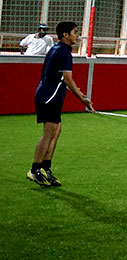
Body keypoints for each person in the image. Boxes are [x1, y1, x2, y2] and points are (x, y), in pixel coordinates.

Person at [26, 22, 94, 187]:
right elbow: (68, 79)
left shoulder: (57, 49)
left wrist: (79, 93)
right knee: (49, 133)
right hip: (49, 97)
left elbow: (61, 79)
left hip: (51, 95)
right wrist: (82, 99)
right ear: (65, 34)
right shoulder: (63, 52)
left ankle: (46, 168)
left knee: (56, 132)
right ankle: (35, 170)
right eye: (75, 32)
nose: (77, 35)